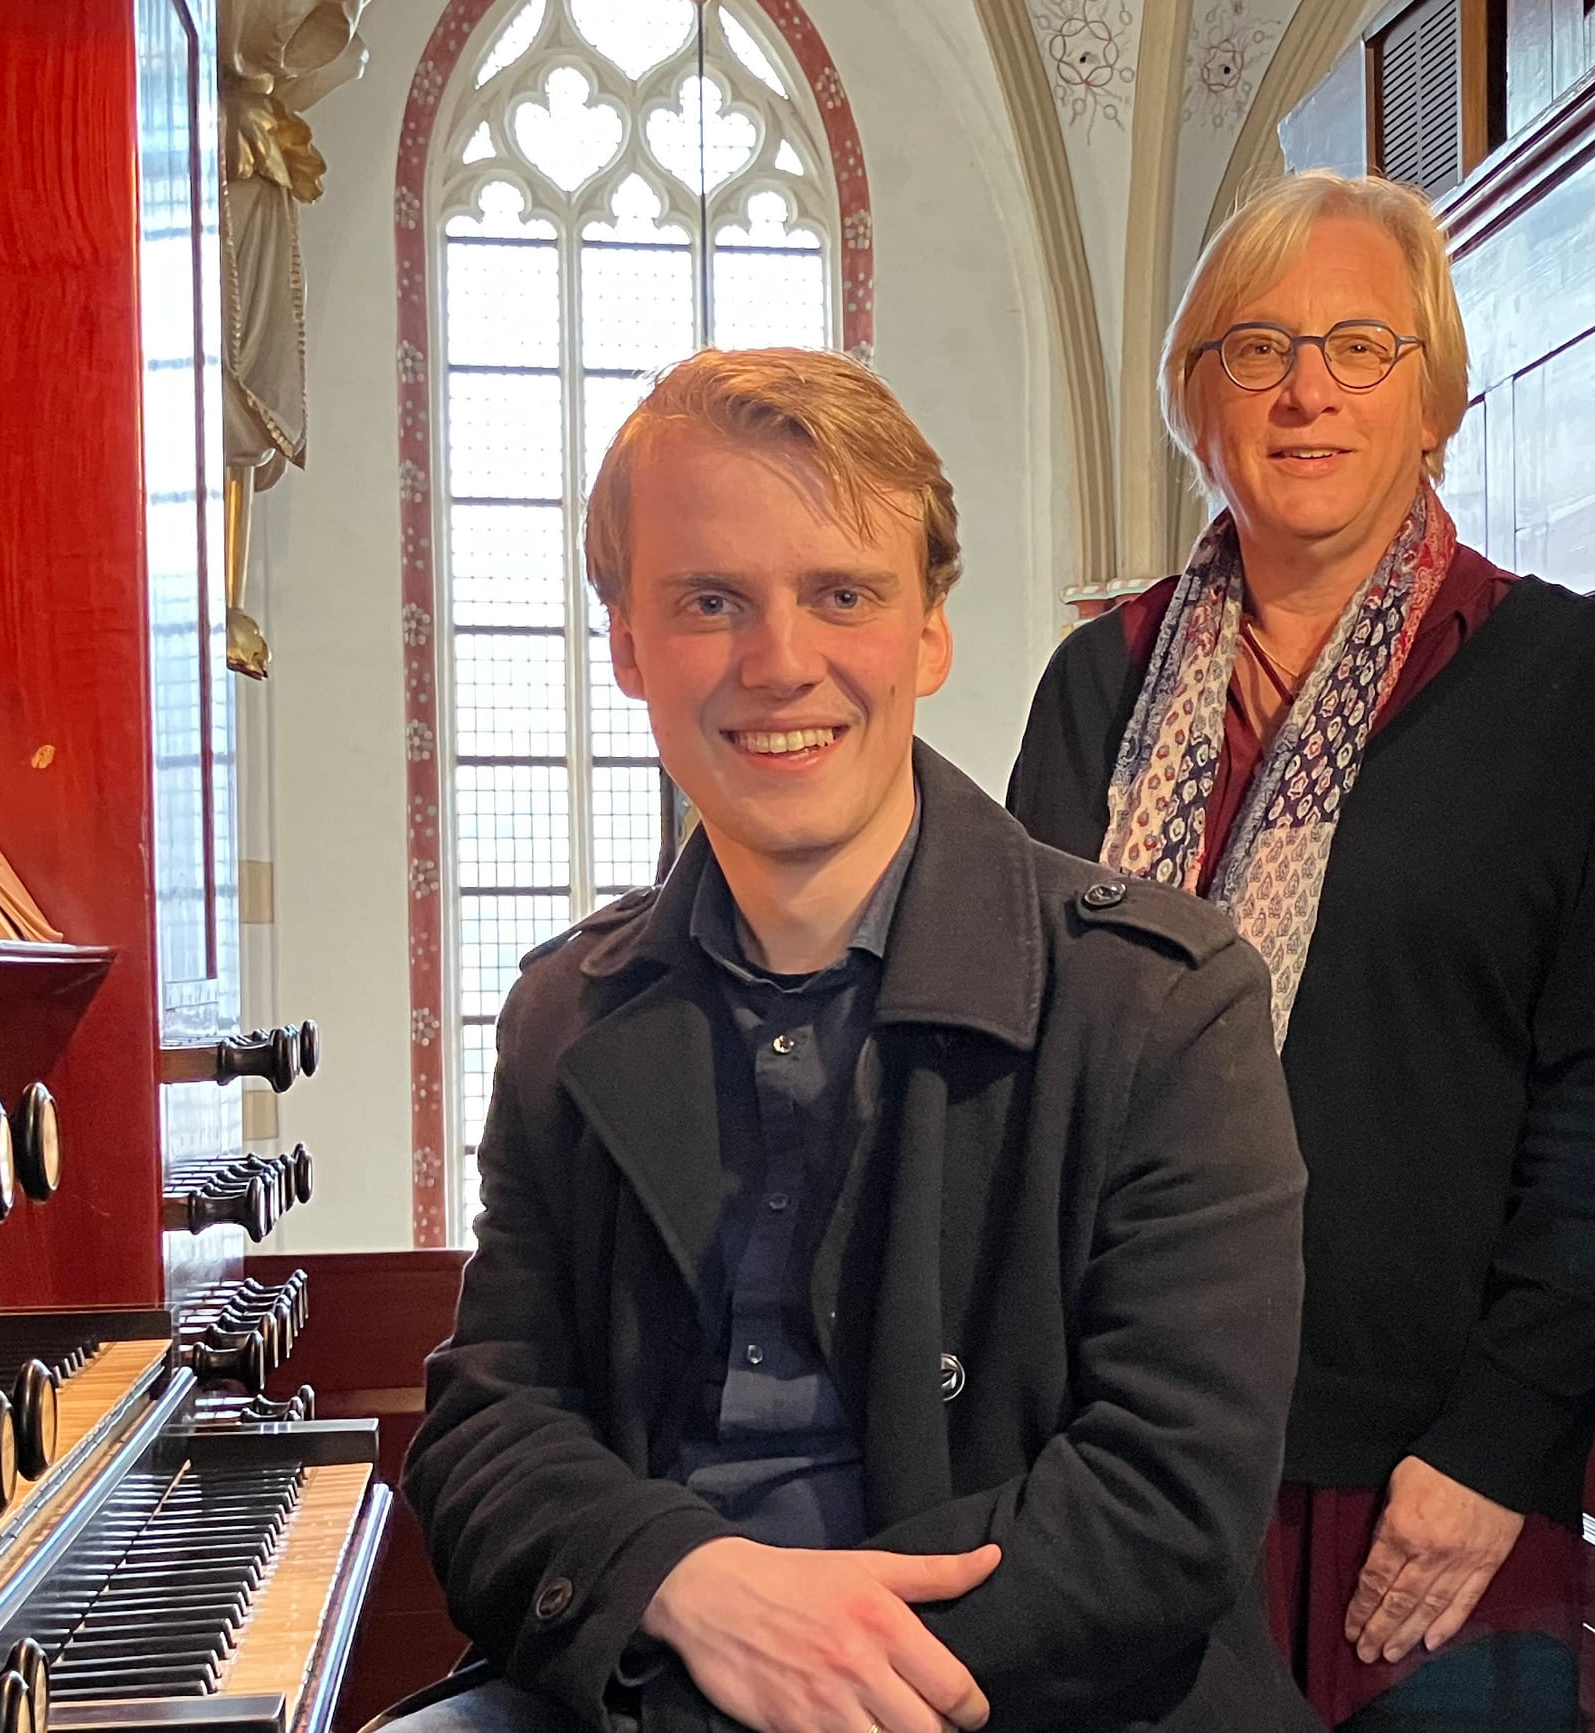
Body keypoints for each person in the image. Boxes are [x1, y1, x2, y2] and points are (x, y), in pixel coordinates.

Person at [392, 348, 1318, 1733]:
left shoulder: (1162, 1003)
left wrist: (801, 1663)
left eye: (843, 593)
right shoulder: (563, 1017)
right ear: (628, 645)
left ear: (928, 632)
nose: (781, 663)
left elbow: (1164, 1499)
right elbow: (488, 1428)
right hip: (659, 1663)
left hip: (1039, 1697)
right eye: (711, 600)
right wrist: (689, 1581)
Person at [1006, 171, 1595, 1731]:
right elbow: (1020, 1059)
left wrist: (1495, 1446)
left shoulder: (1566, 687)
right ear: (1198, 398)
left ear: (1437, 392)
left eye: (1359, 345)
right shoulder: (1092, 690)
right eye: (1257, 347)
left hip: (1435, 1487)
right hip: (1120, 1454)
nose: (1306, 387)